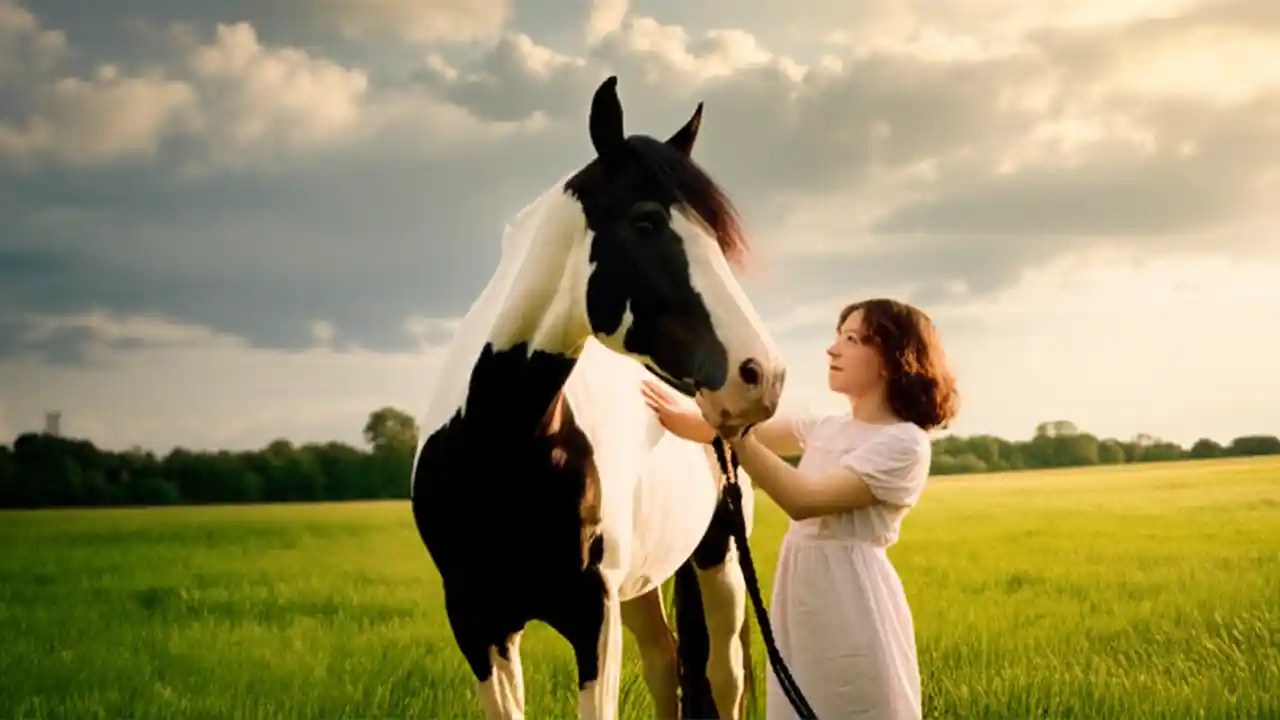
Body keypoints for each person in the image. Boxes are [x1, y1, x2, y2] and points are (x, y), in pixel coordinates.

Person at [641, 298, 959, 720]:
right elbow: (706, 426)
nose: (833, 350)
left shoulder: (903, 444)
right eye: (836, 337)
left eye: (851, 339)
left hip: (851, 598)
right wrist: (659, 391)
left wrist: (736, 435)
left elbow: (804, 500)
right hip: (802, 596)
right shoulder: (825, 427)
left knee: (854, 700)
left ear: (891, 358)